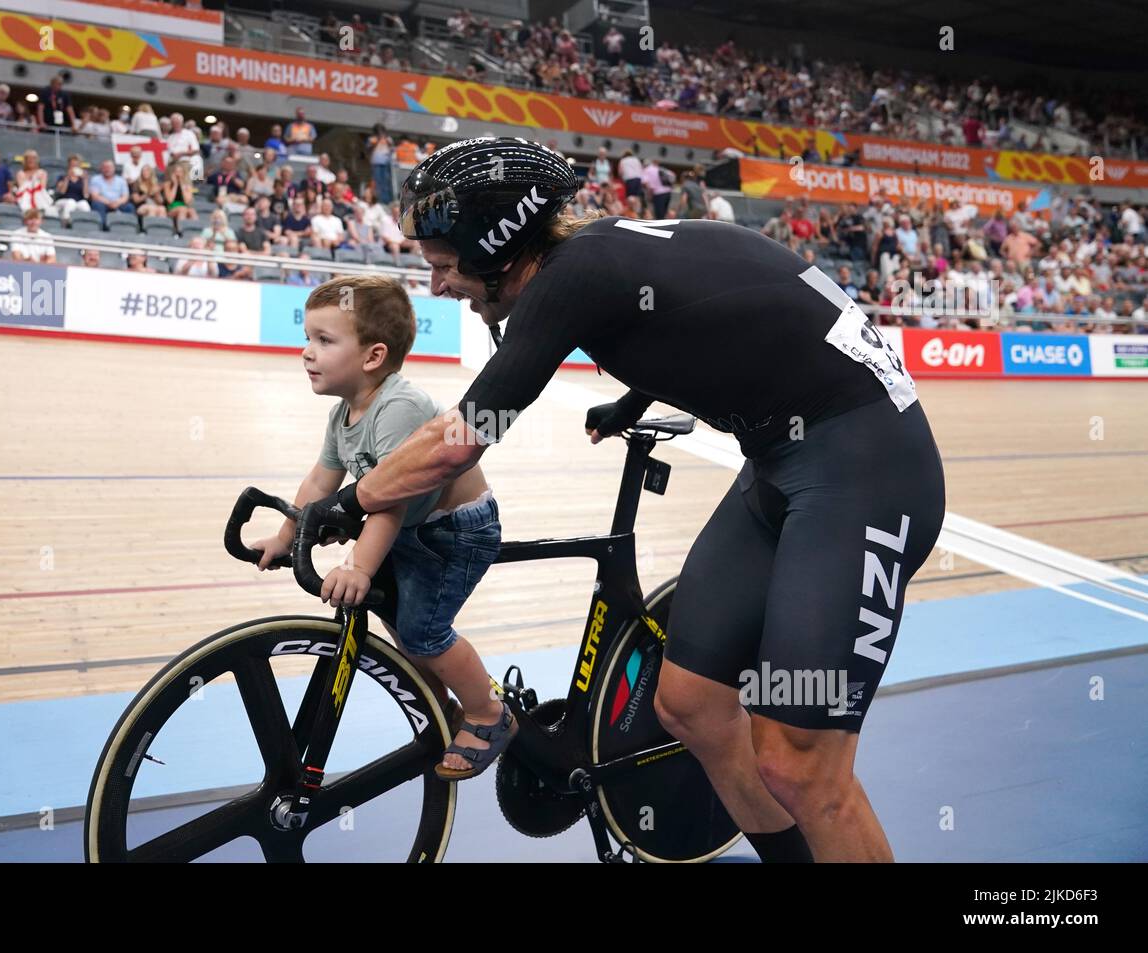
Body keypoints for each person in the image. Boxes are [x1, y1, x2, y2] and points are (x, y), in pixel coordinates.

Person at [303, 137, 945, 862]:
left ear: (495, 247)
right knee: (692, 707)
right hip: (786, 463)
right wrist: (634, 395)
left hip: (868, 471)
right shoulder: (594, 261)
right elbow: (702, 306)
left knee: (800, 764)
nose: (439, 284)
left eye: (445, 265)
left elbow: (462, 438)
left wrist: (350, 500)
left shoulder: (572, 278)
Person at [251, 274, 510, 778]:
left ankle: (488, 713)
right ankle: (441, 705)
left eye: (323, 341)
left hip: (455, 529)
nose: (307, 352)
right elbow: (320, 482)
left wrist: (357, 567)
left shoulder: (398, 406)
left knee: (423, 630)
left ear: (372, 357)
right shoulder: (343, 414)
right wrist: (286, 537)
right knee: (398, 618)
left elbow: (389, 503)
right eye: (308, 338)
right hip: (412, 524)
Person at [89, 159, 134, 227]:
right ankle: (103, 226)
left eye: (109, 167)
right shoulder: (96, 179)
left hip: (118, 203)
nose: (107, 169)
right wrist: (109, 203)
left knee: (129, 207)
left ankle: (129, 227)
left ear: (114, 169)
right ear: (101, 169)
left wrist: (117, 203)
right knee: (97, 204)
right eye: (105, 167)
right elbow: (94, 196)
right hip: (103, 203)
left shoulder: (121, 180)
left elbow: (125, 196)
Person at [51, 153, 91, 222]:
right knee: (71, 202)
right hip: (63, 201)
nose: (74, 167)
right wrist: (67, 178)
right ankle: (65, 221)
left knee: (84, 204)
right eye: (72, 165)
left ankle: (86, 225)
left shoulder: (83, 179)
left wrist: (85, 180)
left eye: (76, 165)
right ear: (69, 166)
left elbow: (86, 195)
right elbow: (62, 192)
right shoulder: (62, 177)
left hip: (78, 202)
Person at [163, 160, 198, 229]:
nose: (178, 174)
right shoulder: (167, 185)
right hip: (171, 209)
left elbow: (187, 201)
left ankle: (195, 229)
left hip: (184, 207)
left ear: (183, 174)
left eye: (180, 172)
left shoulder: (188, 186)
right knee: (183, 209)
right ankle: (180, 230)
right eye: (176, 172)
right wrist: (175, 184)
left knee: (192, 211)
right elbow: (170, 200)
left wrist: (182, 185)